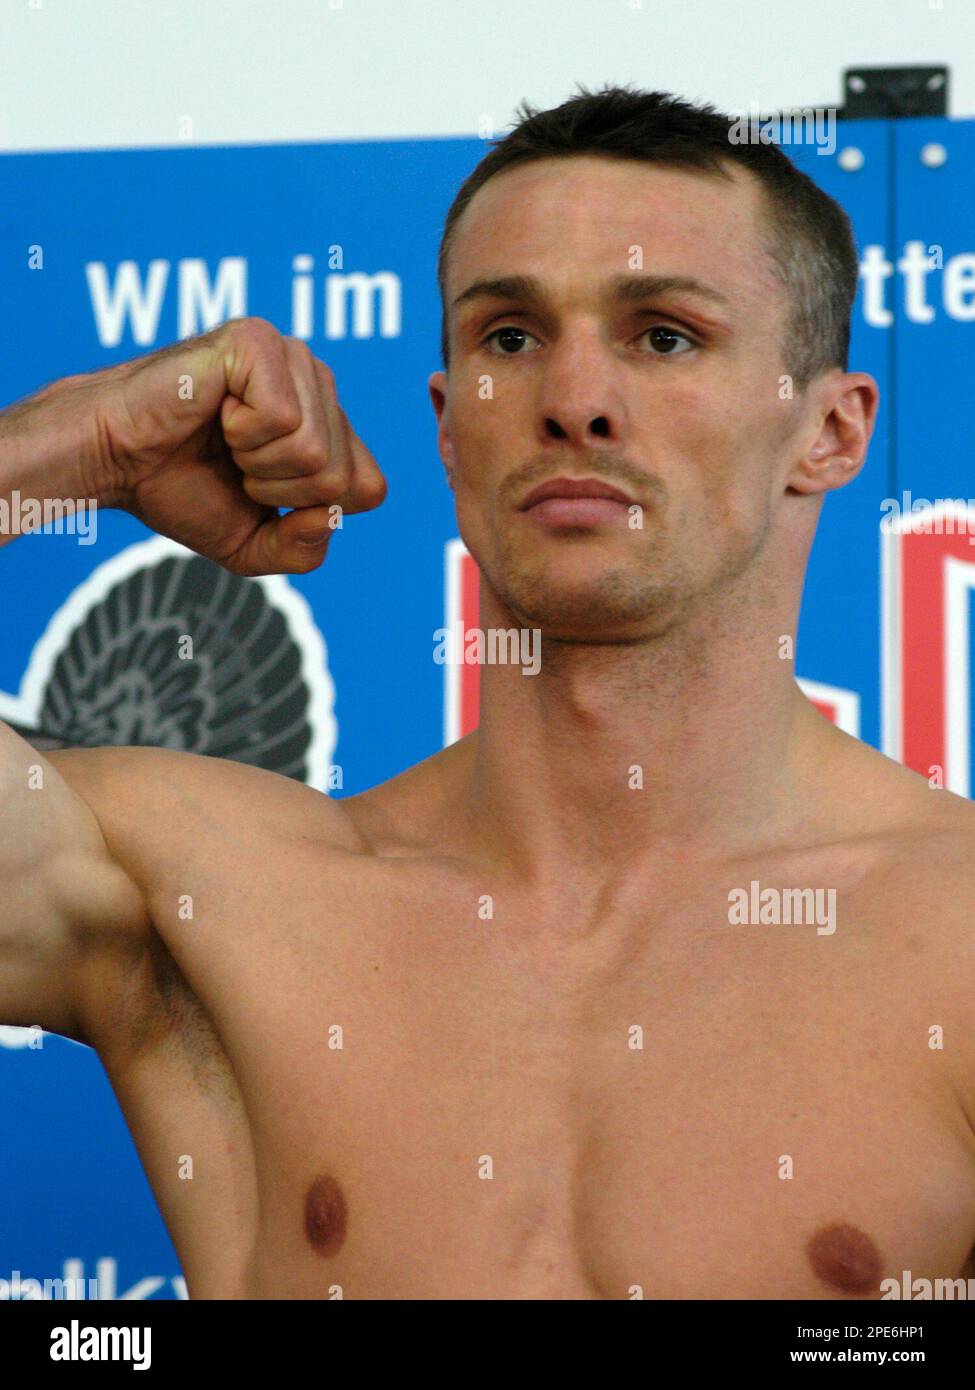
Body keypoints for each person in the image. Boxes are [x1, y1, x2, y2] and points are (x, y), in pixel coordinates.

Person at [2, 84, 974, 1302]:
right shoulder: (221, 899)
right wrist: (56, 451)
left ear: (830, 432)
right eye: (509, 337)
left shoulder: (957, 939)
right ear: (451, 427)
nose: (573, 398)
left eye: (663, 333)